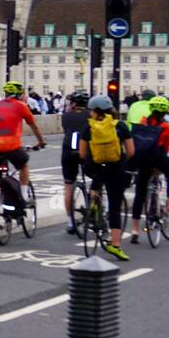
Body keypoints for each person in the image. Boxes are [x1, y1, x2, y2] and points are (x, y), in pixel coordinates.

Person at [0, 81, 46, 229]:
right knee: (23, 166)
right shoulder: (21, 106)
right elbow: (33, 125)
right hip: (12, 146)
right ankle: (23, 195)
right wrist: (41, 141)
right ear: (19, 94)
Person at [78, 94, 134, 261]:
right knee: (115, 206)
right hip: (115, 169)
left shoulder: (88, 128)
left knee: (96, 179)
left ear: (95, 111)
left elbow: (82, 154)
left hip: (95, 168)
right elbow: (131, 152)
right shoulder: (120, 126)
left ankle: (94, 205)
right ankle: (115, 245)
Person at [128, 96, 169, 243]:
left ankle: (135, 229)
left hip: (142, 160)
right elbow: (166, 148)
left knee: (140, 193)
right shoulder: (166, 127)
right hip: (157, 158)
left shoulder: (143, 122)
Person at [60, 91, 90, 234]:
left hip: (68, 151)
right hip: (86, 151)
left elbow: (66, 130)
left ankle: (70, 222)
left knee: (68, 185)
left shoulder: (66, 116)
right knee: (97, 180)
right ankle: (95, 209)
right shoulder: (90, 115)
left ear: (73, 104)